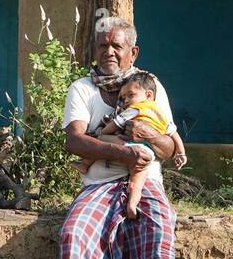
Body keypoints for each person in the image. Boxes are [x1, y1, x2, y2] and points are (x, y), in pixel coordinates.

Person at [58, 16, 180, 259]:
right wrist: (121, 153)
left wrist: (148, 136)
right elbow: (74, 140)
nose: (109, 51)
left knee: (159, 231)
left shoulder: (150, 85)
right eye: (103, 45)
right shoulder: (82, 88)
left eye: (117, 46)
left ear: (133, 51)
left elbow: (168, 148)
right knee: (75, 232)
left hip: (146, 181)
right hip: (98, 184)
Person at [72, 70, 187, 219]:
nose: (125, 100)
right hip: (147, 153)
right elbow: (174, 134)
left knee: (99, 141)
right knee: (137, 183)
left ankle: (85, 164)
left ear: (149, 95)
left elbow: (116, 123)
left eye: (130, 95)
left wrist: (101, 133)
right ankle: (132, 204)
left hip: (128, 144)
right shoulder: (160, 114)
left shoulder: (135, 109)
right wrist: (182, 153)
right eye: (123, 97)